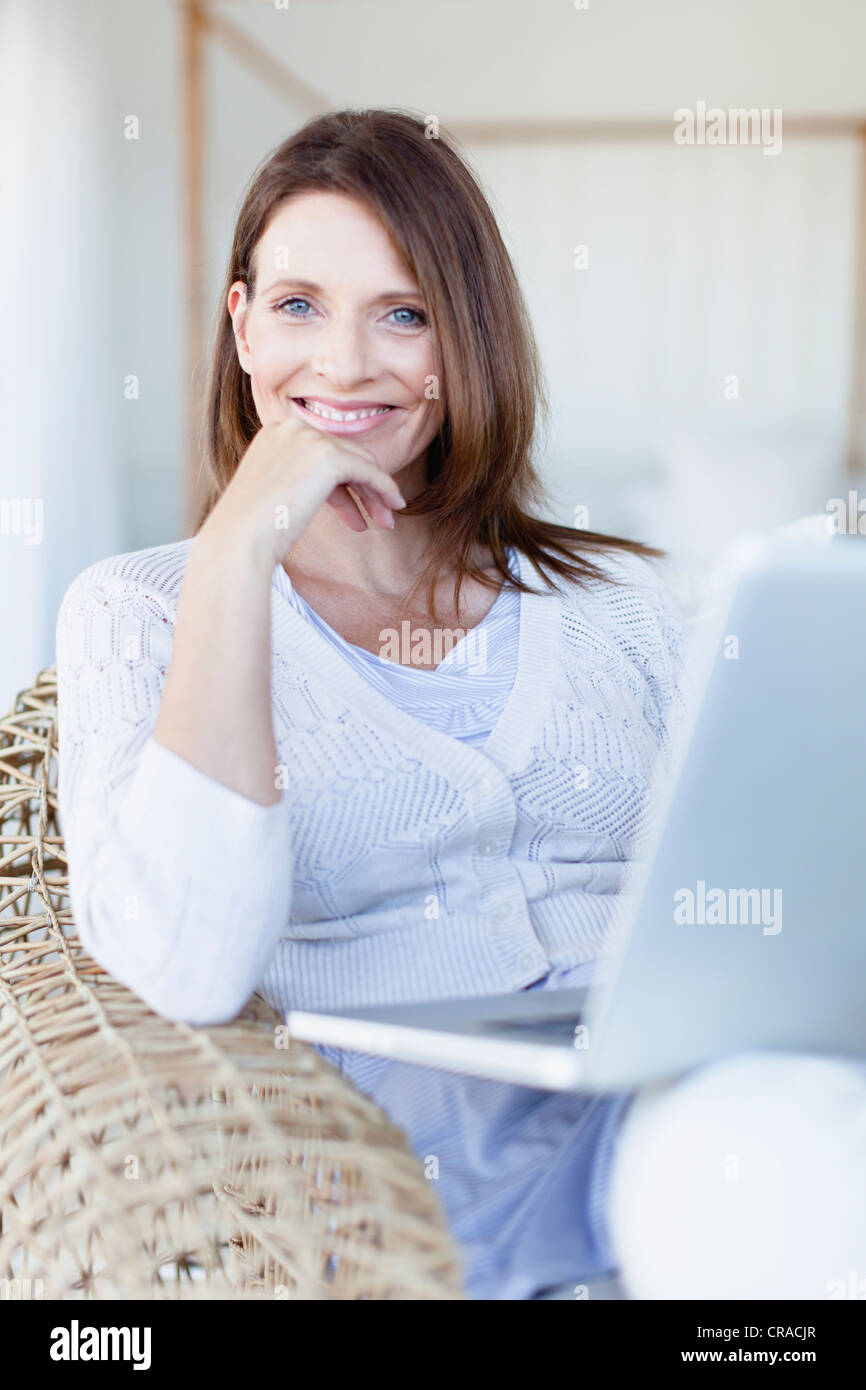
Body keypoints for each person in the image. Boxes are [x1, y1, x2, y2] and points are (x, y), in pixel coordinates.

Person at [55, 109, 865, 1300]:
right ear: (237, 327)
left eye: (403, 313)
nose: (341, 366)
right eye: (296, 306)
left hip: (685, 1090)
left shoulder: (626, 597)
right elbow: (186, 961)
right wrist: (237, 550)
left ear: (464, 340)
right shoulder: (139, 608)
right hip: (404, 1159)